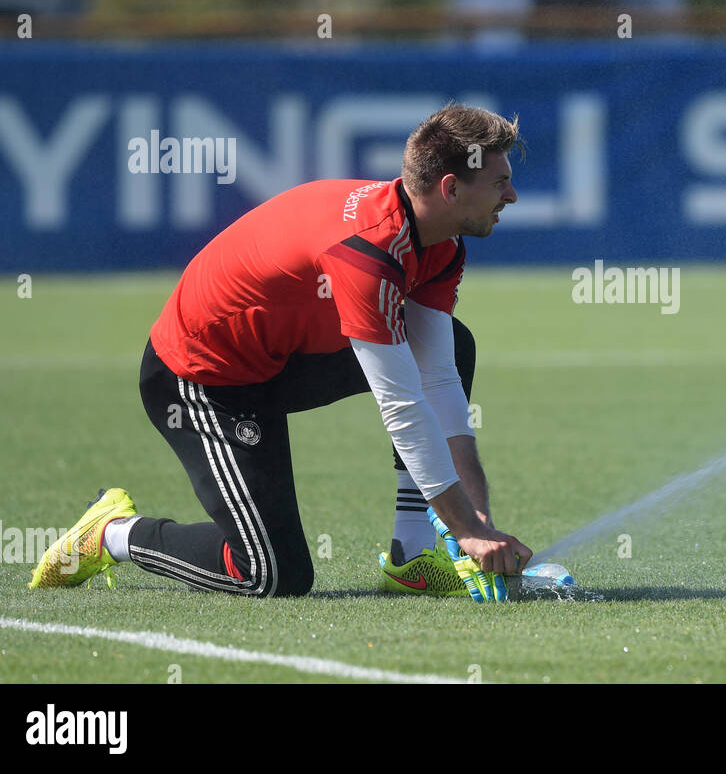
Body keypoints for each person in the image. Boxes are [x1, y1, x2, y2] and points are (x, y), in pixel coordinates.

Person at [29, 103, 532, 601]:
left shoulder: (440, 240)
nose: (510, 195)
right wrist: (467, 526)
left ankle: (414, 555)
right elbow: (401, 405)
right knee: (272, 575)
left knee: (453, 344)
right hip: (200, 378)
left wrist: (478, 518)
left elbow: (439, 377)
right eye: (499, 182)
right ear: (449, 188)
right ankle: (114, 533)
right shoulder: (367, 250)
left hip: (279, 361)